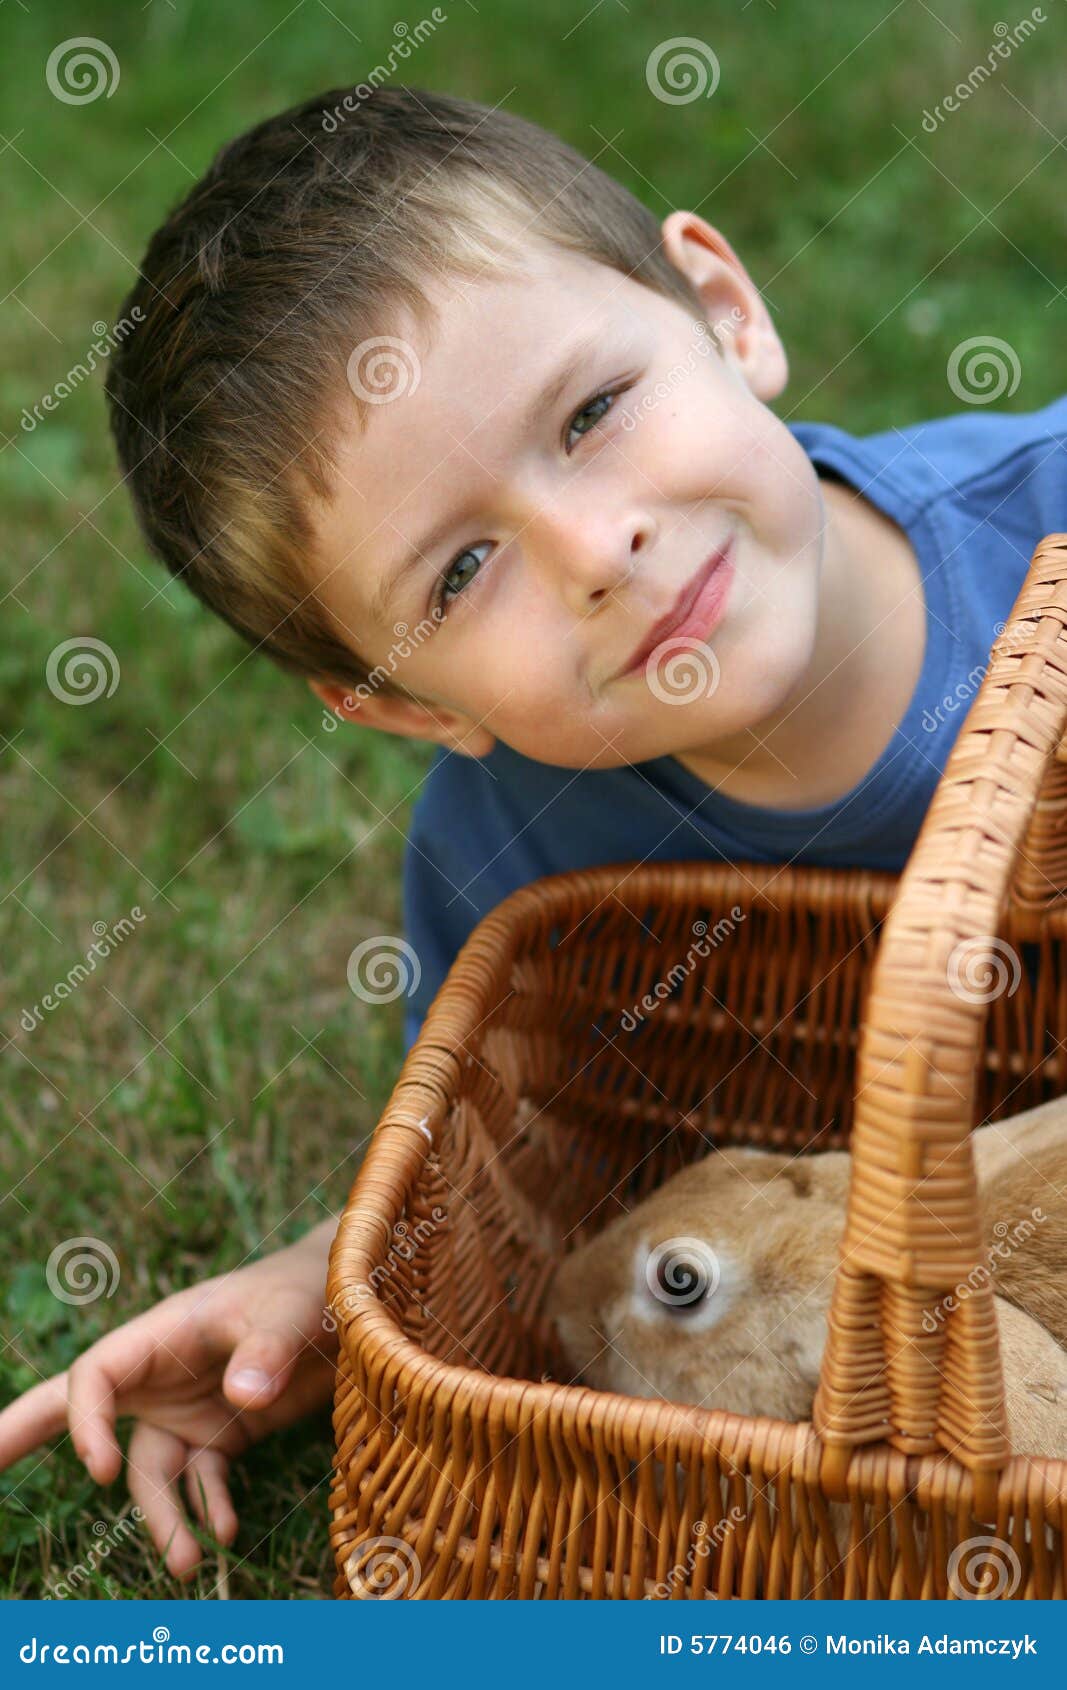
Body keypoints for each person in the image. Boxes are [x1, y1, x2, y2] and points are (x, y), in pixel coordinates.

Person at [3, 82, 1064, 1581]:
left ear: (724, 312)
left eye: (590, 413)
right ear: (402, 701)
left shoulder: (1046, 525)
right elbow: (520, 1168)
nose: (594, 552)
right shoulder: (515, 853)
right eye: (459, 572)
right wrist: (323, 1286)